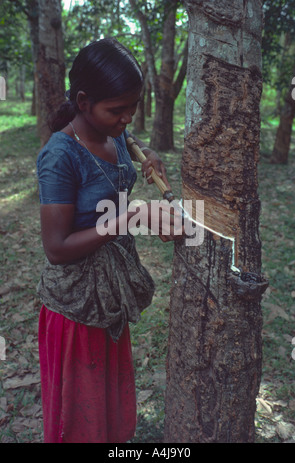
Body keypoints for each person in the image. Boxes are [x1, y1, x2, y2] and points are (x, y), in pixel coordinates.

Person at [36, 38, 183, 443]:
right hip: (75, 309)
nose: (126, 119)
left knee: (107, 408)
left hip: (108, 297)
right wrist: (132, 216)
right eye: (117, 110)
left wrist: (149, 154)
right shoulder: (60, 156)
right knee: (81, 417)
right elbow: (56, 248)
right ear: (83, 102)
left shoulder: (115, 133)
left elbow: (130, 146)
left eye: (132, 107)